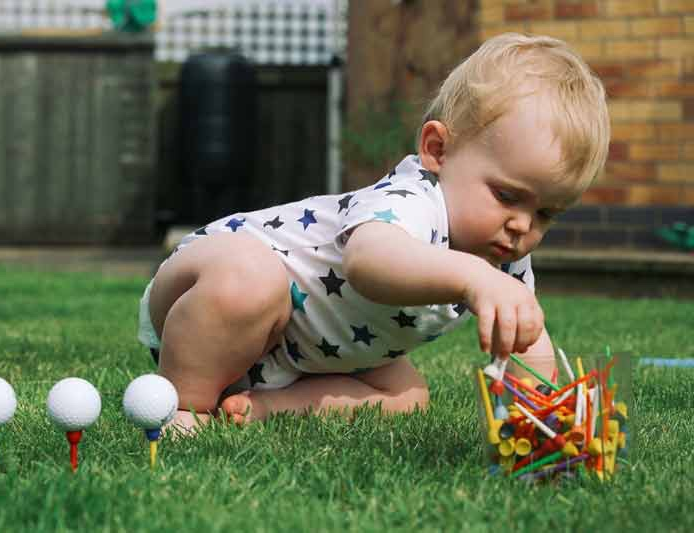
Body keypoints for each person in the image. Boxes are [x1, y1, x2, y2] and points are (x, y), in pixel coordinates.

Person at [137, 33, 610, 432]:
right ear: (437, 150)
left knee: (408, 395)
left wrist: (542, 410)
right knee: (249, 279)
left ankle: (262, 408)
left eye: (547, 213)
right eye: (507, 196)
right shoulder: (410, 199)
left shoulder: (501, 254)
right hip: (208, 292)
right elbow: (369, 262)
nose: (523, 225)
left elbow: (528, 336)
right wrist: (473, 277)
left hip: (310, 350)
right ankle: (183, 406)